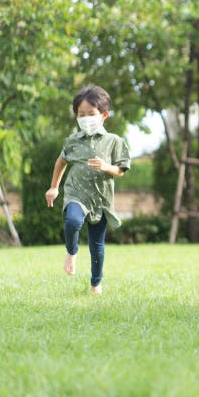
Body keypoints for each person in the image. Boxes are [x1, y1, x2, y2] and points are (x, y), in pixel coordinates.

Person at [45, 85, 131, 295]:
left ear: (104, 115)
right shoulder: (72, 141)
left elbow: (121, 170)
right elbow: (61, 162)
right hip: (76, 193)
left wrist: (106, 167)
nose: (85, 119)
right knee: (73, 221)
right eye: (80, 114)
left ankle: (95, 284)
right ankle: (72, 252)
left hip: (100, 200)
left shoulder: (114, 141)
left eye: (90, 114)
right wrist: (54, 187)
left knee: (97, 246)